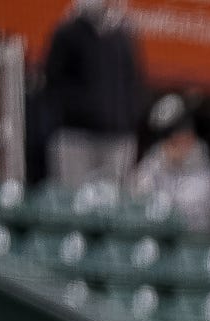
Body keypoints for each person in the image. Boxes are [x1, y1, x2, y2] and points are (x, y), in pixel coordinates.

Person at [41, 0, 144, 195]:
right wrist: (77, 114)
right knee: (73, 198)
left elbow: (133, 81)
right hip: (76, 137)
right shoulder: (67, 34)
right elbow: (53, 84)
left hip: (117, 137)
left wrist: (128, 119)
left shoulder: (122, 36)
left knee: (114, 200)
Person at [127, 96, 210, 237]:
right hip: (157, 238)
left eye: (184, 137)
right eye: (172, 140)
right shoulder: (153, 164)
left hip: (197, 240)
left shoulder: (205, 170)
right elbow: (136, 198)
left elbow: (205, 217)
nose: (179, 144)